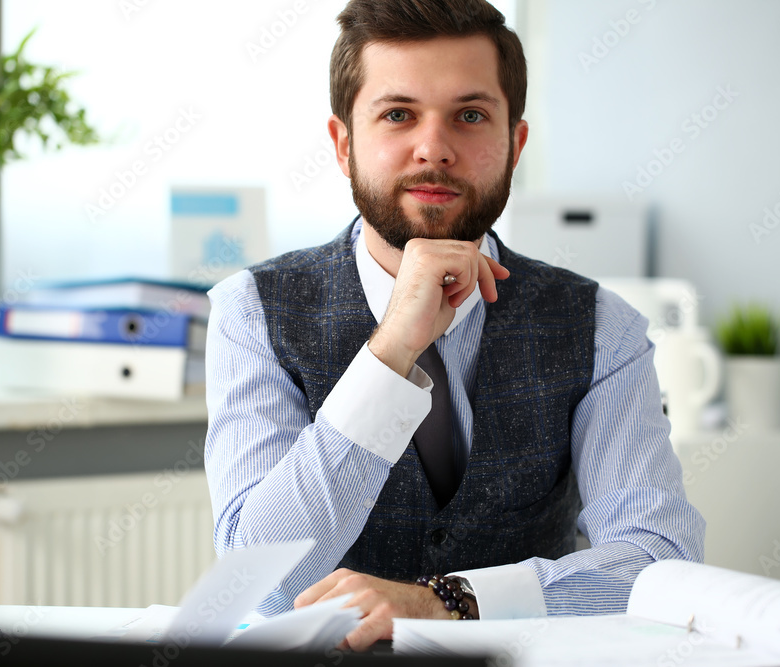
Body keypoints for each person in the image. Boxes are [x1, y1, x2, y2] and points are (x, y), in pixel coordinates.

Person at [204, 0, 705, 651]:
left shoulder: (602, 328)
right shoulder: (251, 311)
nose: (433, 148)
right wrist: (392, 351)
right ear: (343, 144)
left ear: (515, 143)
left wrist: (447, 602)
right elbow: (260, 581)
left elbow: (658, 565)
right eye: (397, 114)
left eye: (469, 116)